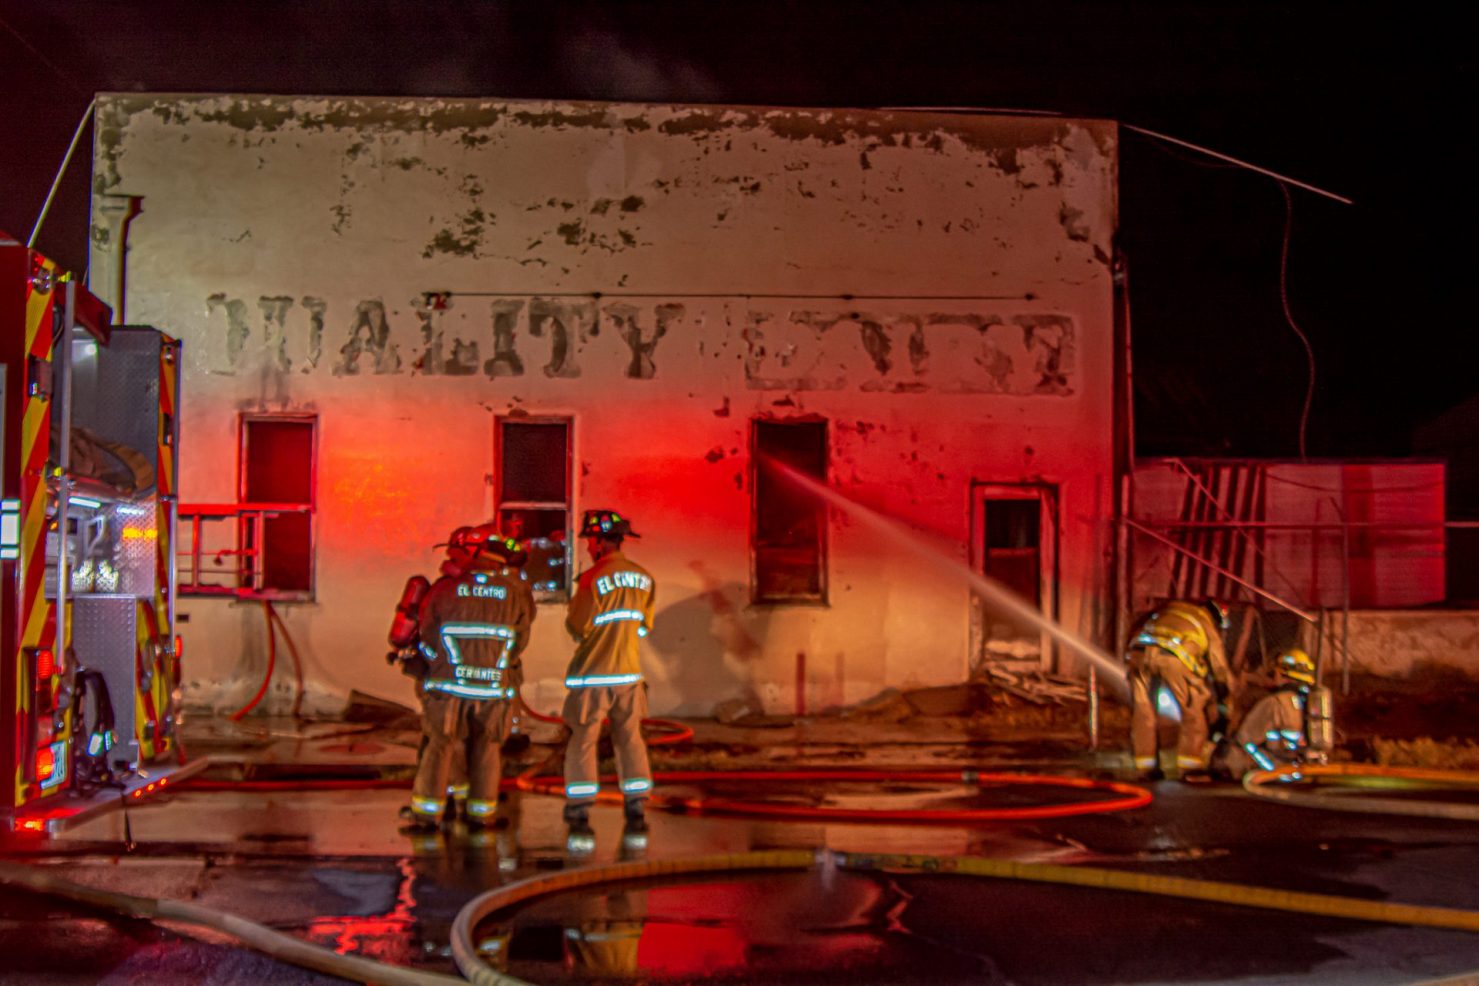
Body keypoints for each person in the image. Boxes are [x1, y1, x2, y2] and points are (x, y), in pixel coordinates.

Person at [405, 528, 533, 830]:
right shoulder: (514, 593)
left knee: (440, 746)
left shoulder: (444, 589)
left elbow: (427, 637)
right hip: (492, 687)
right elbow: (520, 641)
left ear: (473, 555)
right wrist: (497, 665)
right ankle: (481, 813)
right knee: (488, 748)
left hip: (448, 686)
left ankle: (427, 815)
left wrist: (440, 664)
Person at [562, 509, 657, 843]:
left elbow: (578, 627)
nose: (589, 547)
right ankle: (636, 804)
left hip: (593, 676)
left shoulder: (590, 580)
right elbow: (644, 627)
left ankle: (579, 806)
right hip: (628, 675)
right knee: (630, 739)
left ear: (601, 542)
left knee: (583, 740)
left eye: (590, 540)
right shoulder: (645, 578)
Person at [1125, 598, 1233, 780]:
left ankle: (1145, 768)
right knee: (1193, 709)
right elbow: (1219, 665)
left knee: (1143, 710)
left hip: (1138, 653)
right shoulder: (1204, 620)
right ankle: (1190, 768)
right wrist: (1223, 692)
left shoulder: (1171, 610)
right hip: (1174, 657)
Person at [1218, 648, 1317, 778]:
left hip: (1278, 772)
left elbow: (1244, 738)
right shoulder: (1313, 702)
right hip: (1305, 770)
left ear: (1281, 673)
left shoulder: (1276, 702)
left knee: (1234, 748)